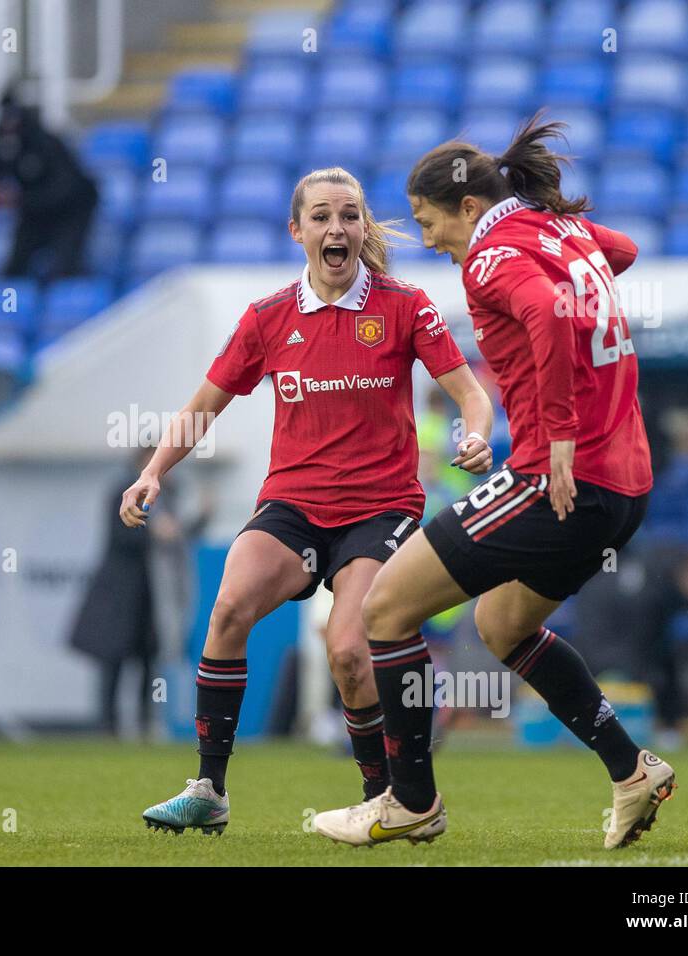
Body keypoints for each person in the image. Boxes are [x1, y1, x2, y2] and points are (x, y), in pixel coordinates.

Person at [310, 115, 674, 851]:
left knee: (384, 609)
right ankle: (631, 770)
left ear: (468, 208)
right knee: (502, 625)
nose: (430, 239)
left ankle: (408, 800)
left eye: (429, 221)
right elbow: (623, 249)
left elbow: (542, 311)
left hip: (557, 476)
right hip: (626, 486)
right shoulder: (558, 236)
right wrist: (570, 253)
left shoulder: (490, 255)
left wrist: (564, 431)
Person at [122, 167, 493, 834]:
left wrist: (478, 435)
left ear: (361, 228)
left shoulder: (405, 306)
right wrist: (153, 472)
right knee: (230, 607)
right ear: (298, 231)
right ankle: (208, 788)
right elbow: (203, 407)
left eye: (349, 215)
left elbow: (469, 392)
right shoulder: (267, 318)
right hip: (294, 506)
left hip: (382, 510)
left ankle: (391, 798)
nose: (337, 228)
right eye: (321, 216)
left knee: (349, 651)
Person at [69, 448, 210, 737]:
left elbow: (179, 536)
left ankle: (147, 724)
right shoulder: (123, 493)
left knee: (149, 661)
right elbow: (120, 534)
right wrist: (151, 533)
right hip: (121, 595)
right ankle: (108, 727)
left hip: (152, 596)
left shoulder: (168, 498)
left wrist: (203, 517)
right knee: (114, 662)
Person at [0, 93, 99, 278]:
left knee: (65, 267)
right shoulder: (0, 143)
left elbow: (66, 187)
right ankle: (12, 304)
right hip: (33, 211)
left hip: (71, 209)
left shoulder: (46, 142)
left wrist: (21, 200)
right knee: (12, 271)